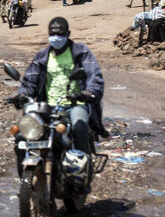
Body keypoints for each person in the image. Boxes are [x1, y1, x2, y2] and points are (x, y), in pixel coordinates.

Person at [19, 17, 108, 186]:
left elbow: (94, 76)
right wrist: (22, 94)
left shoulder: (81, 52)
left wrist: (87, 92)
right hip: (48, 106)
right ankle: (25, 178)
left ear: (68, 34)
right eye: (52, 33)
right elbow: (30, 79)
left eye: (60, 33)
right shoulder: (42, 56)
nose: (56, 37)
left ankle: (82, 175)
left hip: (75, 104)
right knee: (22, 135)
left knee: (79, 127)